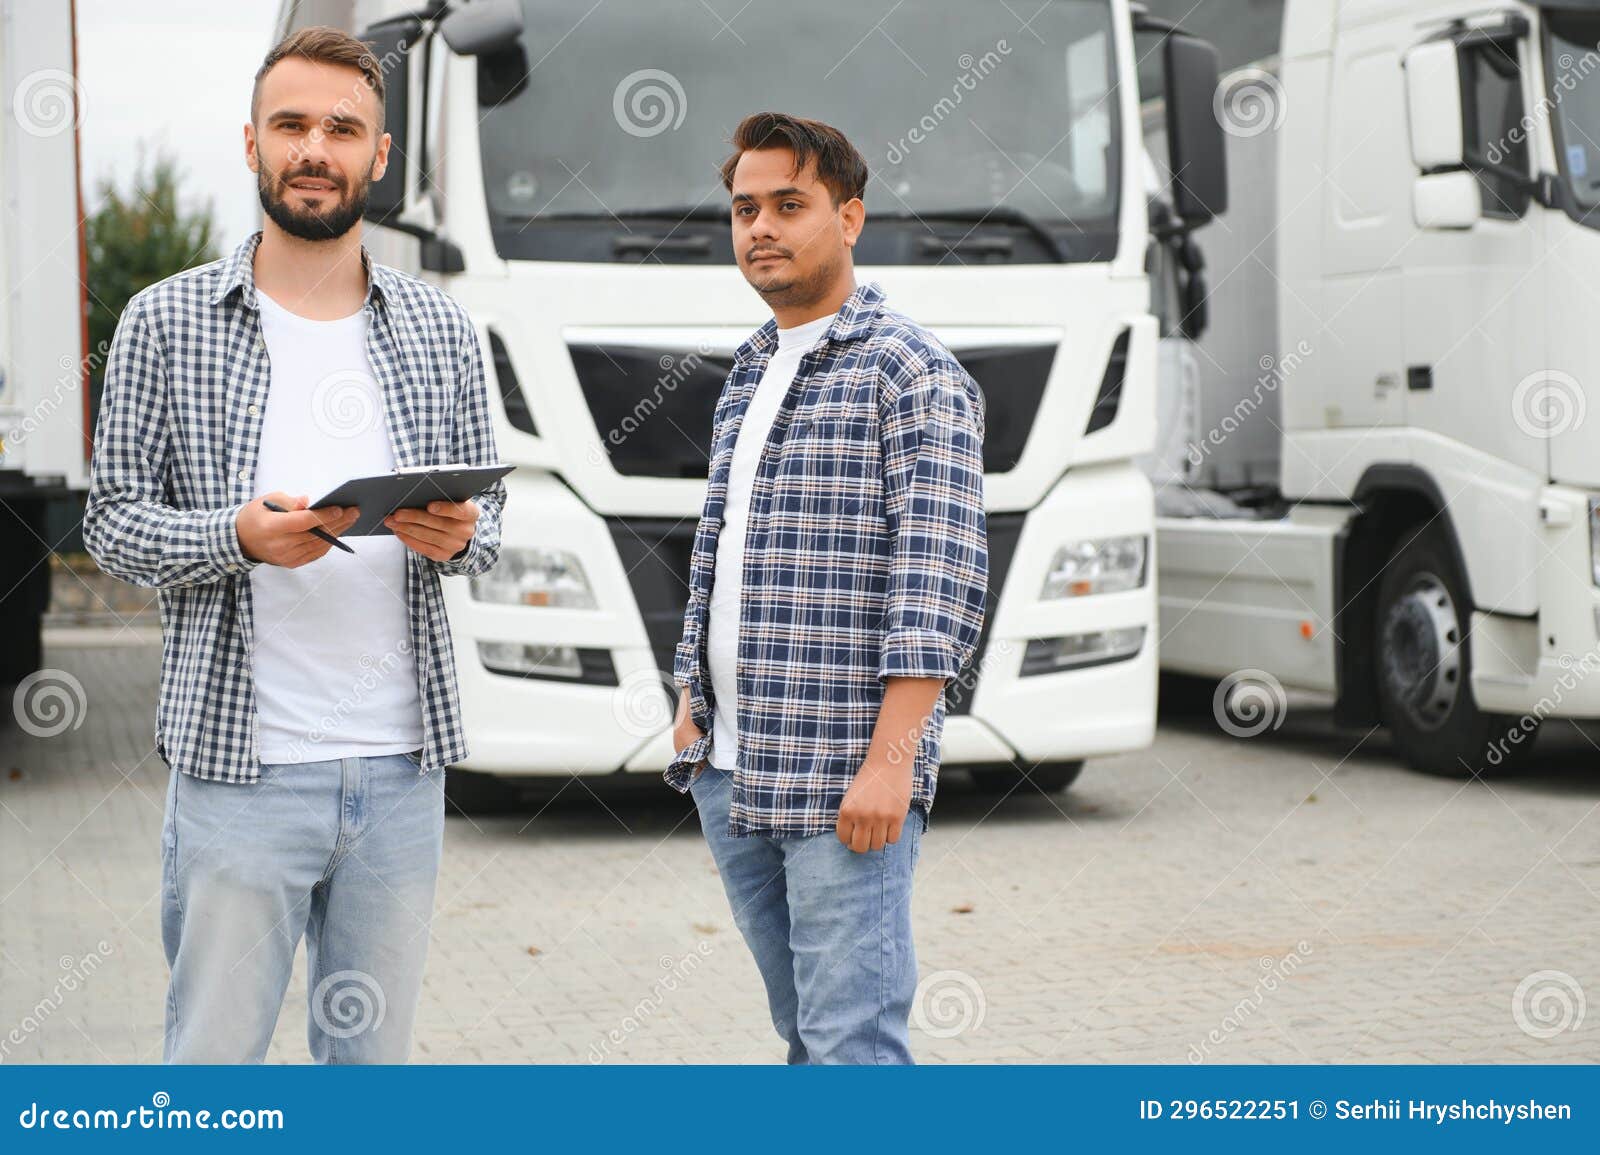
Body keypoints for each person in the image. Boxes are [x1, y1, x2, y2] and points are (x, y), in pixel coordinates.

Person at [81, 27, 506, 1063]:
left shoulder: (442, 328)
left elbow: (492, 533)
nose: (314, 148)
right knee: (214, 1072)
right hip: (242, 775)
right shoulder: (165, 320)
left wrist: (459, 537)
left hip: (402, 773)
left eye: (341, 129)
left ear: (380, 155)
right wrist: (236, 538)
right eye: (292, 125)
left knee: (369, 1078)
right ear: (251, 143)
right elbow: (111, 525)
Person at [666, 112, 988, 1064]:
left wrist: (893, 761)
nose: (760, 227)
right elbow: (723, 548)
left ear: (849, 218)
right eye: (744, 208)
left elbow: (940, 581)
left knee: (854, 1042)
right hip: (729, 765)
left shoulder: (911, 372)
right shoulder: (753, 366)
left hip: (843, 774)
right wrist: (690, 698)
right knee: (805, 1032)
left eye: (788, 205)